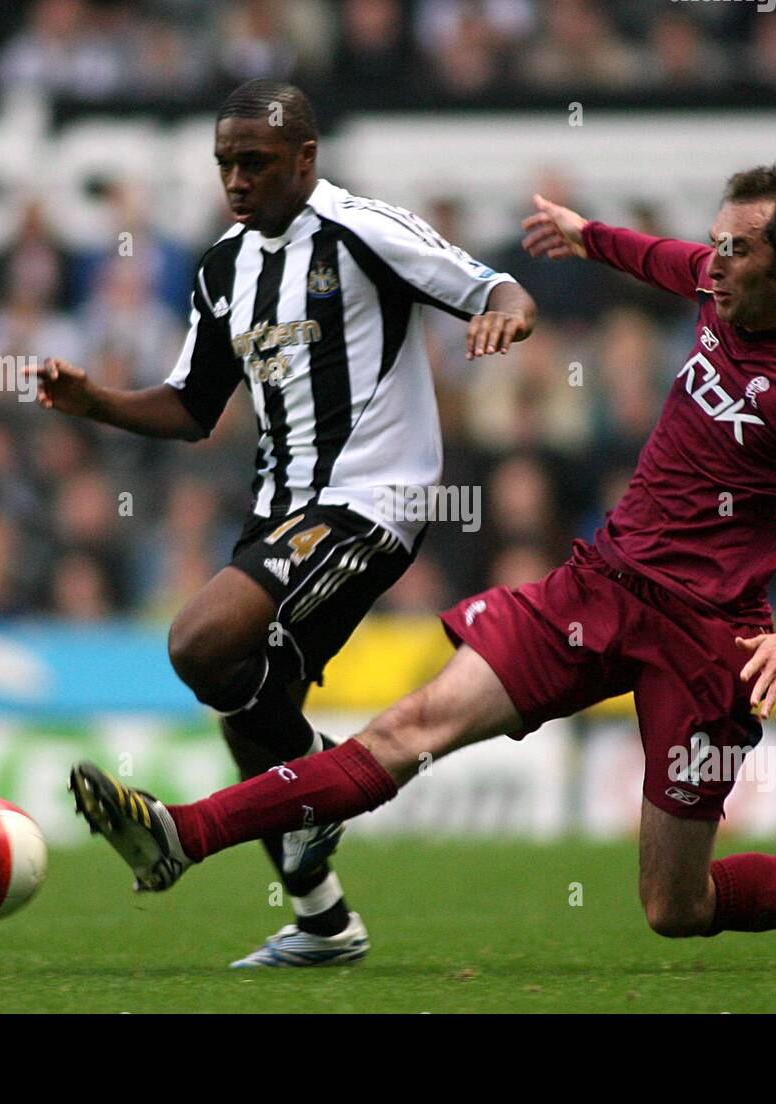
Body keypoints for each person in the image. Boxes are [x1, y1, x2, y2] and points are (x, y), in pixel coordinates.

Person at [70, 165, 776, 959]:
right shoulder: (720, 282)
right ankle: (179, 834)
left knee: (675, 907)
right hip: (599, 587)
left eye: (735, 248)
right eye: (715, 240)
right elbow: (659, 256)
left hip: (708, 639)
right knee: (407, 730)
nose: (712, 259)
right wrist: (584, 236)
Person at [35, 79, 536, 966]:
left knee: (198, 644)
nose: (236, 180)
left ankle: (312, 781)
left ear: (306, 158)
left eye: (254, 163)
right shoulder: (223, 267)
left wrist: (503, 319)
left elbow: (495, 287)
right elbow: (193, 409)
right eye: (225, 163)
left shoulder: (363, 230)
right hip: (280, 513)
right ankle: (323, 918)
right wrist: (95, 403)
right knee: (242, 700)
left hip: (372, 502)